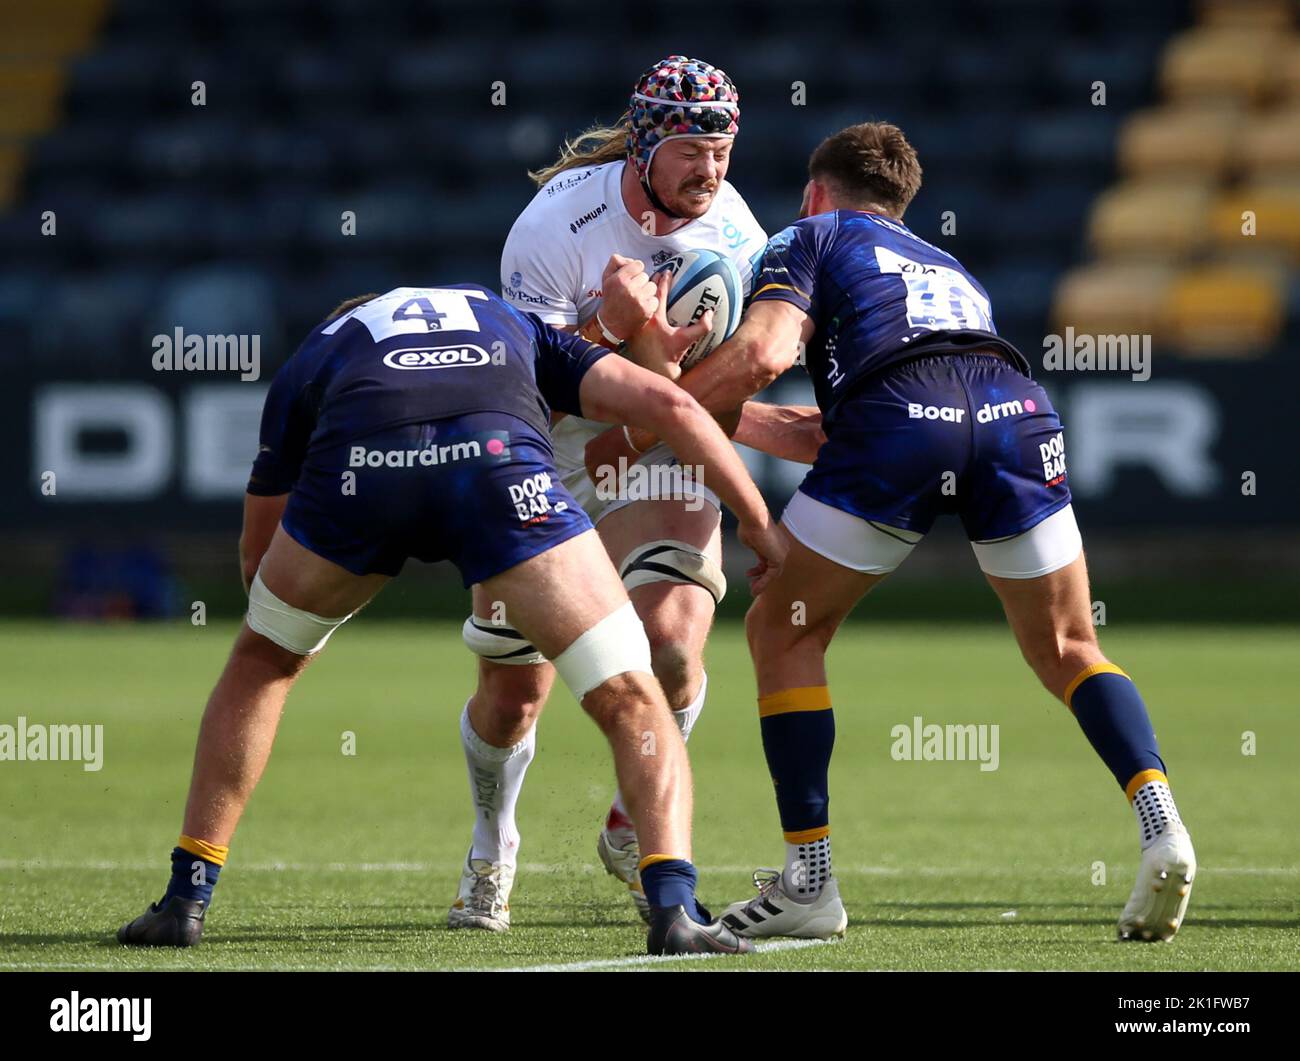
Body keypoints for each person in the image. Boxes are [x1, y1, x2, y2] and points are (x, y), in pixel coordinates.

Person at [613, 121, 1196, 943]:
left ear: (817, 193)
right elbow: (817, 421)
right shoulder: (946, 264)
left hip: (900, 420)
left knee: (784, 630)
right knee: (1070, 646)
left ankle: (809, 882)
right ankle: (1163, 823)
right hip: (1014, 409)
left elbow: (761, 354)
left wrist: (649, 408)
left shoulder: (809, 234)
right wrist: (716, 416)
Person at [116, 284, 785, 956]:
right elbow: (669, 404)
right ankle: (672, 909)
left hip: (365, 471)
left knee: (261, 665)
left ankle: (187, 897)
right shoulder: (512, 321)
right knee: (631, 696)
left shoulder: (319, 350)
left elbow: (257, 550)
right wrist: (757, 522)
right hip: (497, 472)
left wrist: (281, 628)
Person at [450, 54, 819, 929]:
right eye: (693, 149)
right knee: (514, 694)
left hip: (655, 451)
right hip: (547, 452)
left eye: (724, 149)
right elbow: (519, 381)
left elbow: (715, 381)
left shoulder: (734, 228)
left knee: (673, 643)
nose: (712, 170)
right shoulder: (554, 225)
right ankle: (491, 838)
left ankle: (632, 817)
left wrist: (738, 421)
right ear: (646, 146)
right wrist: (607, 328)